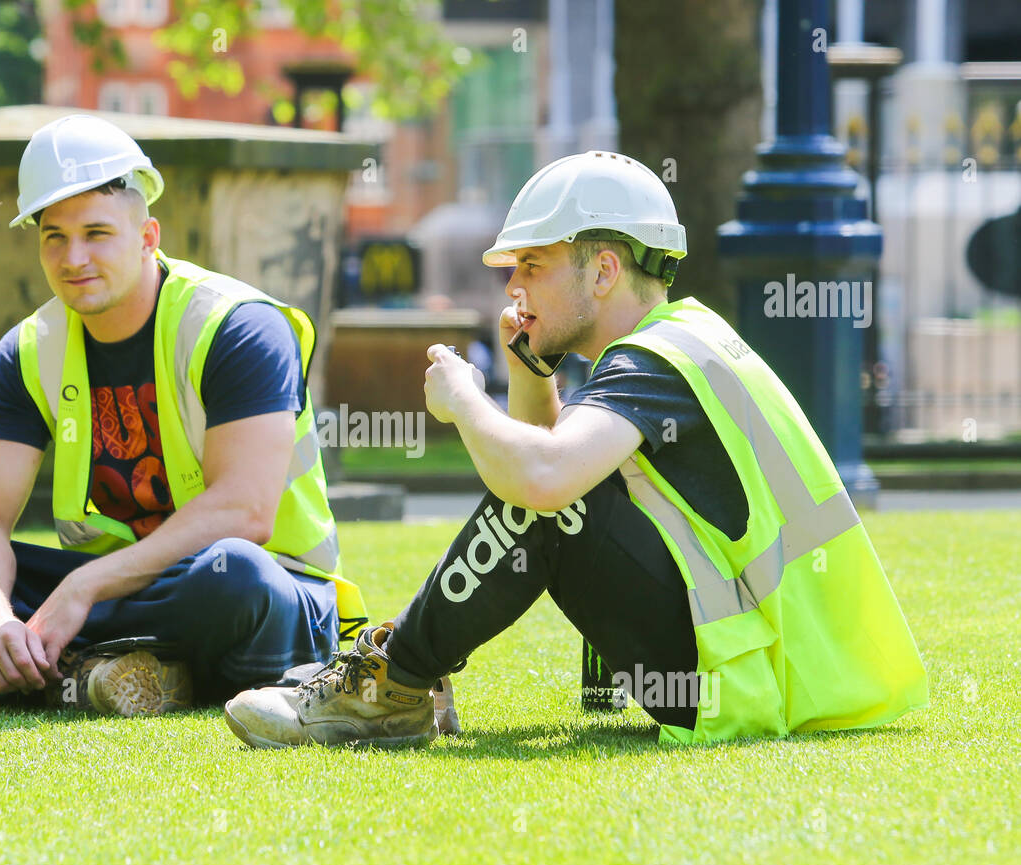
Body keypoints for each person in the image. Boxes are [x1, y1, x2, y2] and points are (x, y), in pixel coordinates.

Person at [223, 150, 928, 748]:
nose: (514, 285)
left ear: (604, 271)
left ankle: (392, 685)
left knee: (557, 501)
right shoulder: (680, 341)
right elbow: (550, 458)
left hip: (757, 682)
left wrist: (465, 400)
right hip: (770, 666)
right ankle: (401, 675)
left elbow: (545, 481)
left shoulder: (657, 359)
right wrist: (532, 373)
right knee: (559, 492)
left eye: (533, 263)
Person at [0, 114, 366, 715]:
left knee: (237, 574)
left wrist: (84, 587)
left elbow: (244, 511)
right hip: (108, 593)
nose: (74, 258)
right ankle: (80, 669)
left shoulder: (237, 327)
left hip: (258, 586)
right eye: (54, 237)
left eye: (97, 232)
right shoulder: (28, 350)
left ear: (148, 235)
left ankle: (26, 673)